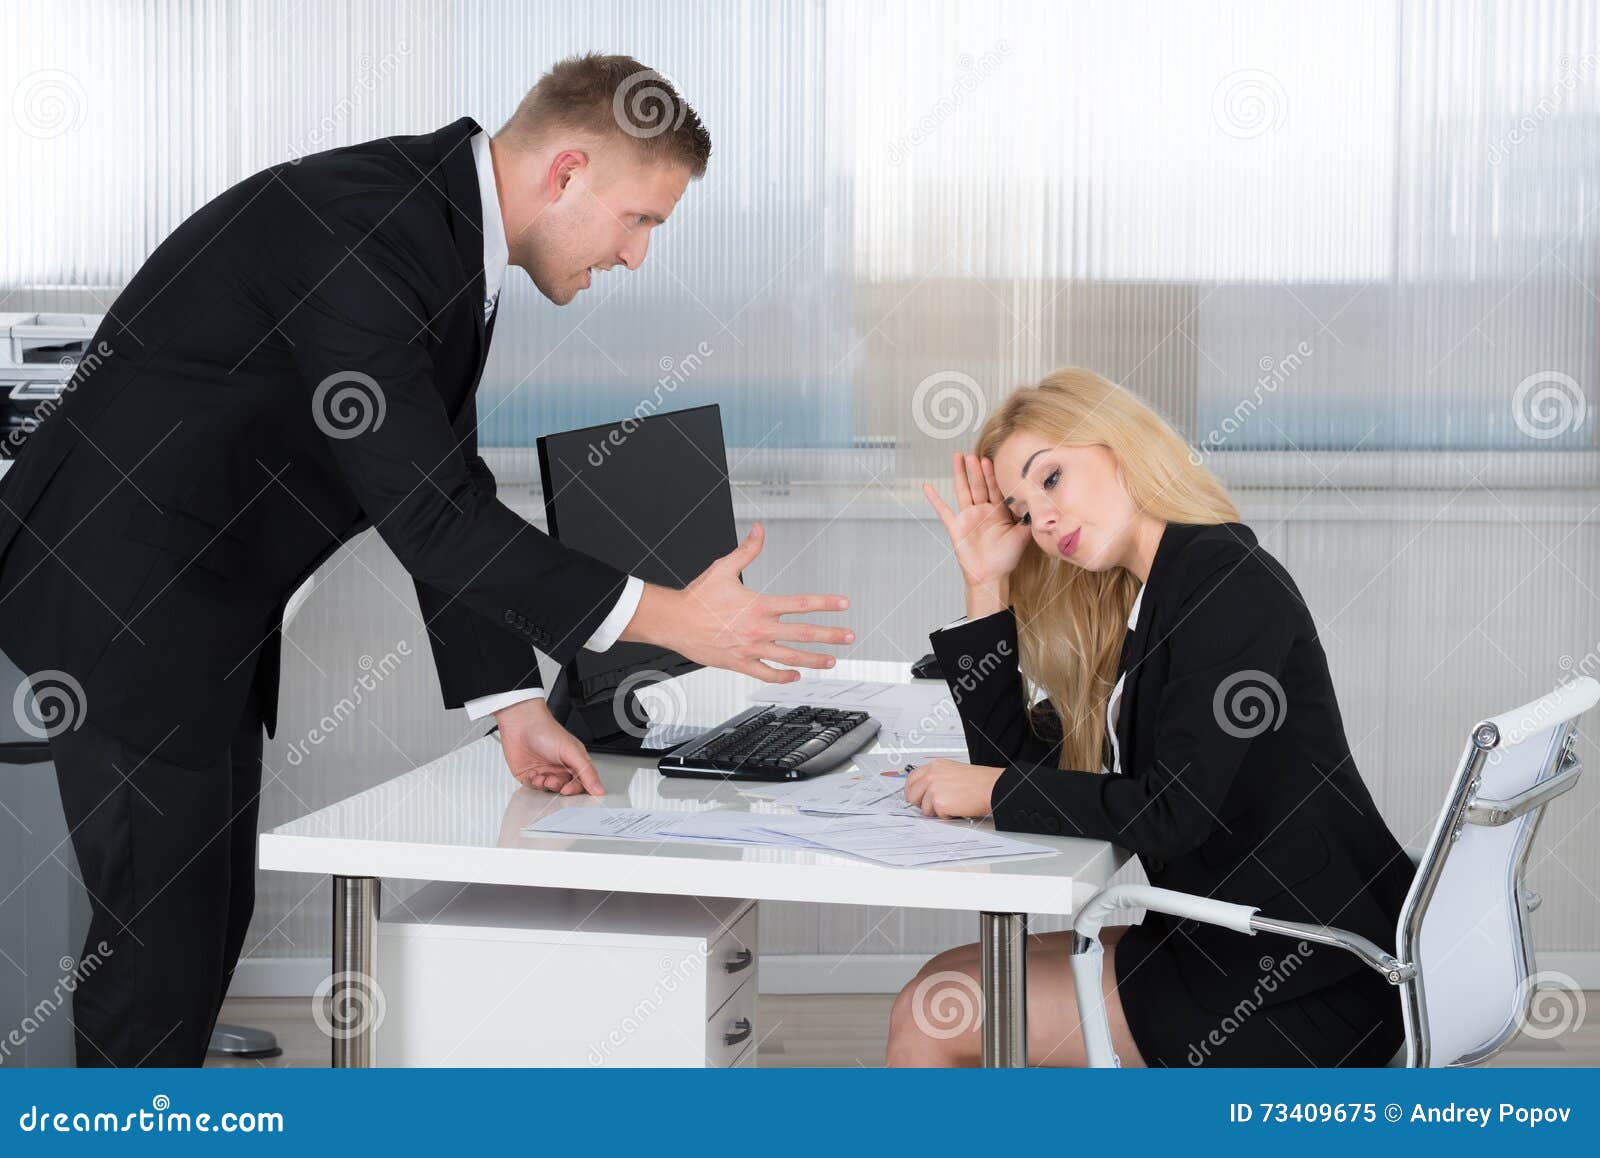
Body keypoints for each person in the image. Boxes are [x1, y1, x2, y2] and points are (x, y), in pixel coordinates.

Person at [0, 54, 852, 1067]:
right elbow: (435, 518)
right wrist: (673, 617)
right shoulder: (373, 236)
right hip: (126, 608)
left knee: (195, 939)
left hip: (197, 615)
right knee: (154, 967)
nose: (637, 258)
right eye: (640, 220)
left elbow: (433, 485)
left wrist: (511, 704)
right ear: (567, 171)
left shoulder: (438, 230)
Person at [886, 367, 1415, 1067]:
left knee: (933, 1016)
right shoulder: (1153, 593)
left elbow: (1175, 813)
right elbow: (1005, 760)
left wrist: (988, 791)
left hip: (1301, 980)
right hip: (1234, 942)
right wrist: (986, 581)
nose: (1040, 520)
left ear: (1122, 447)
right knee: (939, 985)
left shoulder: (1224, 584)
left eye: (1051, 479)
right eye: (1020, 509)